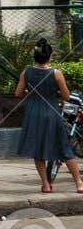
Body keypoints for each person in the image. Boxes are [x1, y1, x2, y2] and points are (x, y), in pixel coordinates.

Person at [15, 38, 82, 194]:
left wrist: (31, 92)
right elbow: (66, 96)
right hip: (52, 113)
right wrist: (55, 92)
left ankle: (46, 184)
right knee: (64, 149)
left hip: (33, 114)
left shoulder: (26, 72)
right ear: (50, 57)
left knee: (38, 150)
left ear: (34, 57)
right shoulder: (56, 73)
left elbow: (18, 93)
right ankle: (79, 183)